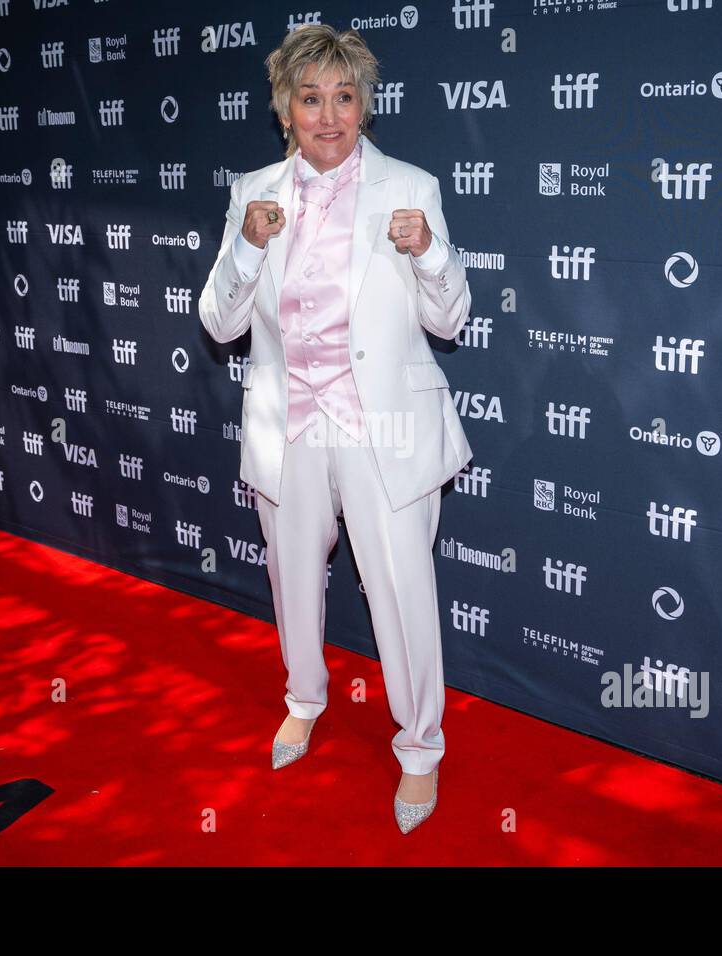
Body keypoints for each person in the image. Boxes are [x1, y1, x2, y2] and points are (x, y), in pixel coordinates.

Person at [198, 24, 472, 834]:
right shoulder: (252, 192)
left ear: (364, 107)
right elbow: (218, 324)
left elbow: (452, 315)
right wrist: (247, 248)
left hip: (383, 426)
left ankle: (420, 749)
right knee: (291, 586)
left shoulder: (411, 188)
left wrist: (428, 255)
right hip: (290, 425)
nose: (327, 116)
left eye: (343, 98)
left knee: (403, 595)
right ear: (284, 108)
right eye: (309, 98)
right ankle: (303, 699)